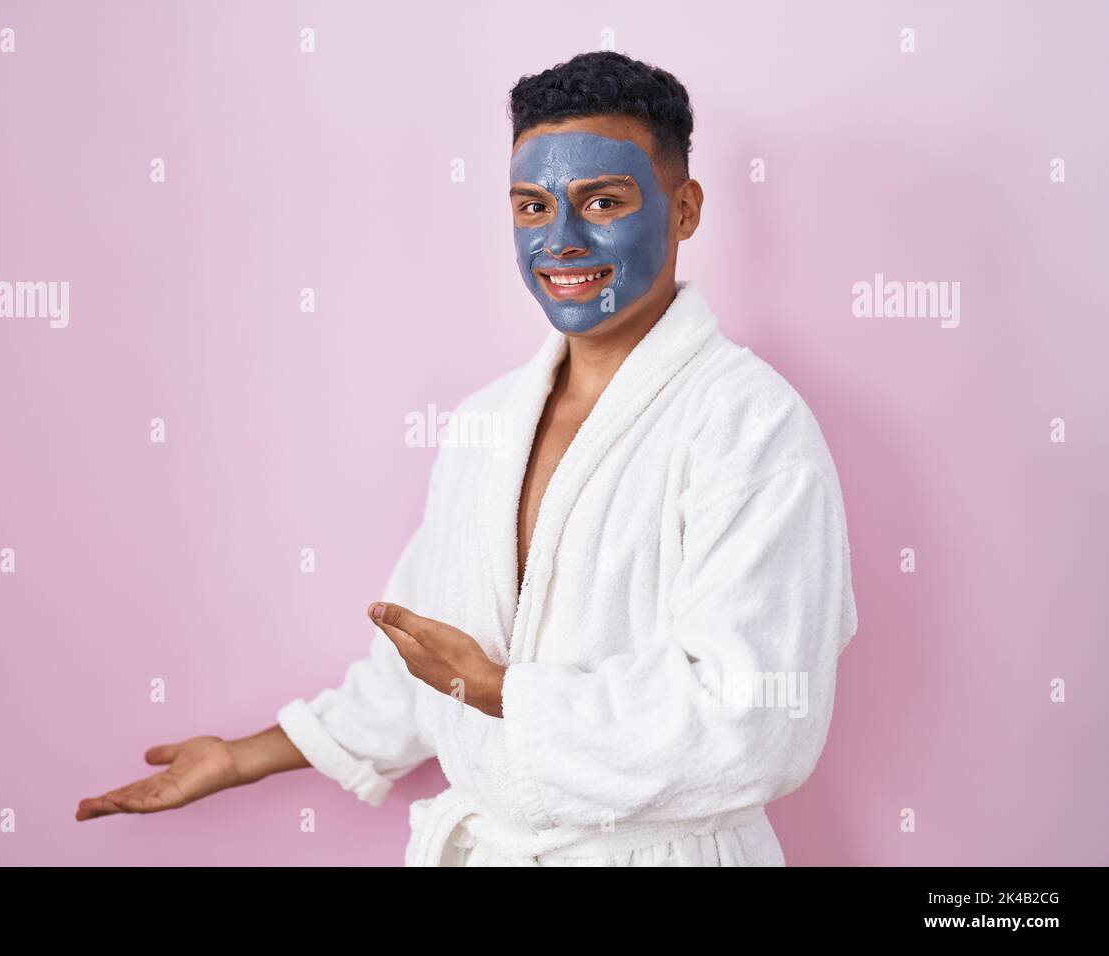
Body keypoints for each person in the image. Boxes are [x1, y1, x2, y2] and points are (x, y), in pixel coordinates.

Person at [76, 51, 858, 867]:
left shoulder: (750, 425)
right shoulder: (488, 422)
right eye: (532, 206)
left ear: (684, 206)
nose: (561, 239)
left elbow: (756, 719)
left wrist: (495, 692)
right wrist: (242, 757)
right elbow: (423, 667)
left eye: (603, 201)